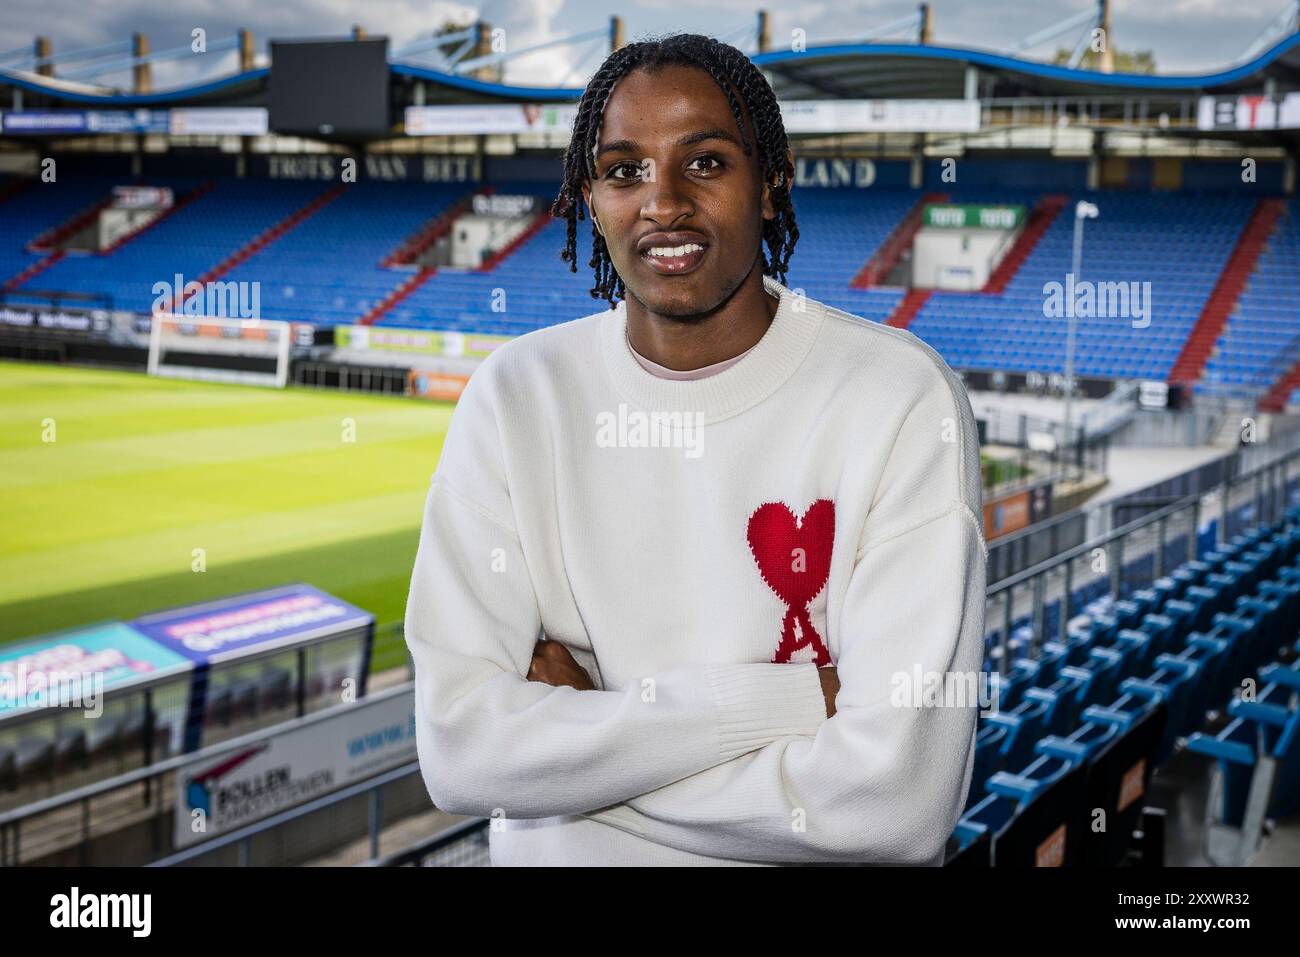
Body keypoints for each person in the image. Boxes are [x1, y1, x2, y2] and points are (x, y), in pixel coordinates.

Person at [404, 33, 987, 866]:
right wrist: (782, 706)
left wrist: (582, 753)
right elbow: (462, 754)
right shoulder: (515, 396)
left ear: (772, 183)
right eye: (623, 170)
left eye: (706, 162)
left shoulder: (899, 397)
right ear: (590, 197)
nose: (663, 202)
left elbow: (896, 804)